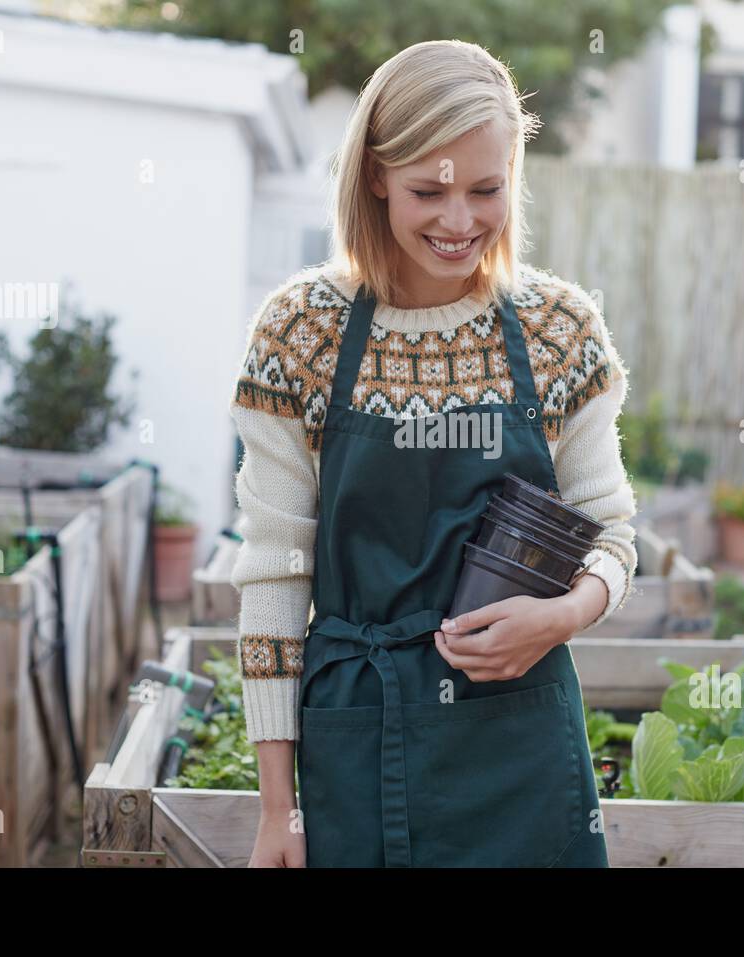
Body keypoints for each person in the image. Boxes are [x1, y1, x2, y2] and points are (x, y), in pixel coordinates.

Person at [230, 39, 637, 868]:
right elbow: (274, 572)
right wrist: (280, 809)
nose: (460, 223)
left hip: (520, 743)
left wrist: (564, 614)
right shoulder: (299, 333)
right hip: (357, 737)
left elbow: (612, 535)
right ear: (375, 175)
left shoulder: (560, 331)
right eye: (429, 191)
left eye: (486, 190)